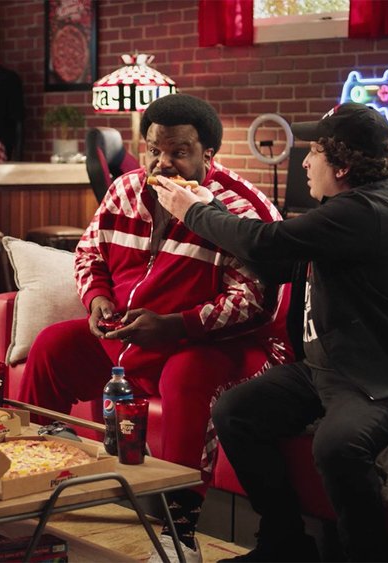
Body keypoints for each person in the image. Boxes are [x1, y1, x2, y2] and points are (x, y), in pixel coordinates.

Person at [152, 102, 388, 562]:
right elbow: (276, 261)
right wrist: (213, 213)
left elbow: (266, 241)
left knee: (338, 446)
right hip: (329, 367)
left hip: (386, 377)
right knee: (236, 411)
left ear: (343, 166)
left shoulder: (368, 212)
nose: (305, 162)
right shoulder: (347, 210)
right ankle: (285, 544)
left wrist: (195, 212)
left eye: (314, 152)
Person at [15, 94, 291, 563]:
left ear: (208, 154)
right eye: (153, 150)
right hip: (135, 337)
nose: (162, 163)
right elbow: (89, 252)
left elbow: (260, 302)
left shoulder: (243, 208)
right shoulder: (123, 190)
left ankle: (179, 531)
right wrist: (97, 298)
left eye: (179, 152)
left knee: (187, 374)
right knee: (52, 346)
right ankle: (35, 490)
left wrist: (176, 326)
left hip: (228, 348)